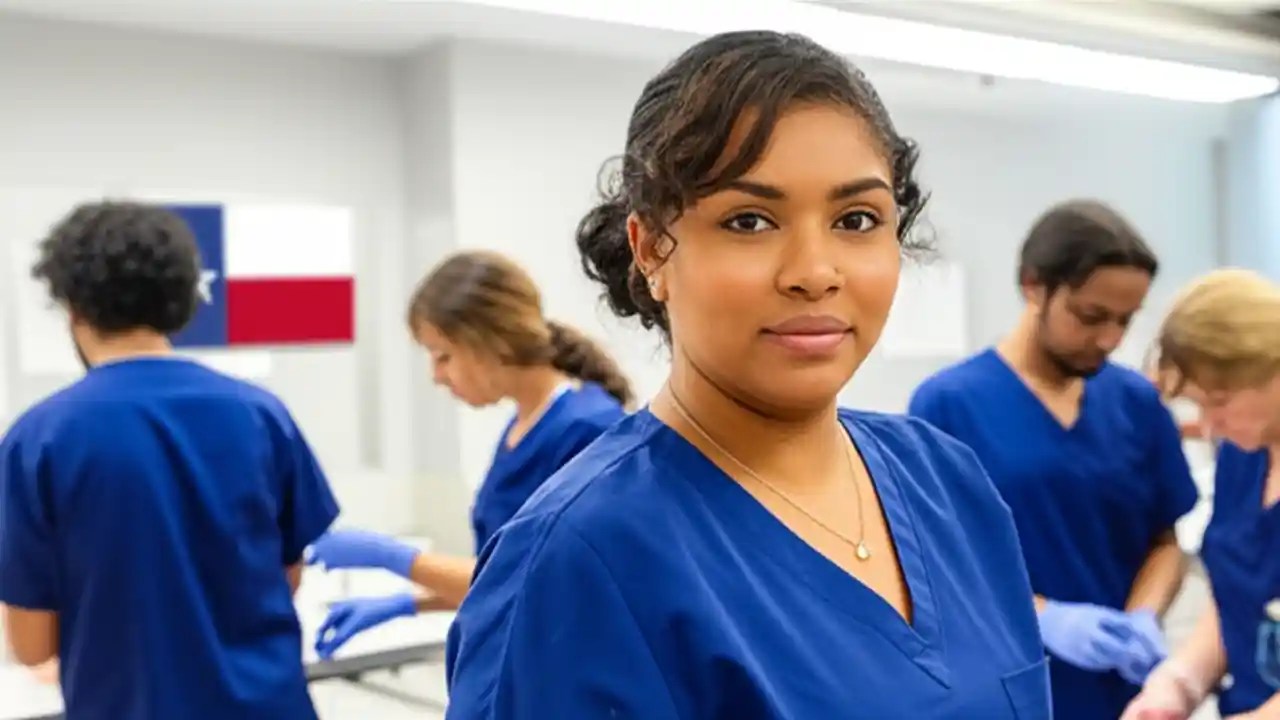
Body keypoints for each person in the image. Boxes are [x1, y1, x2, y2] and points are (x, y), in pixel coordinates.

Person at [442, 30, 1051, 719]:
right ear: (650, 250)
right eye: (750, 221)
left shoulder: (949, 485)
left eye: (856, 218)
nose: (815, 273)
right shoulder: (579, 564)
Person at [0, 201, 339, 719]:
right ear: (181, 299)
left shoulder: (39, 439)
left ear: (72, 306)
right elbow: (287, 577)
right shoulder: (261, 414)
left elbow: (32, 643)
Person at [908, 200, 1200, 719]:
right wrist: (1042, 617)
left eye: (1125, 321)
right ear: (1034, 287)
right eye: (1090, 316)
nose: (1110, 339)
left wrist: (1143, 616)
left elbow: (1165, 542)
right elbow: (933, 572)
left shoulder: (1136, 401)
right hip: (1011, 689)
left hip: (1127, 694)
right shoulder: (946, 406)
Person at [307, 250, 631, 657]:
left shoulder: (586, 430)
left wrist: (393, 557)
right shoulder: (523, 427)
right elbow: (496, 575)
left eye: (443, 355)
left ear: (492, 339)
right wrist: (407, 605)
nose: (436, 376)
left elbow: (541, 584)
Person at [1122, 268, 1280, 720]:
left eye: (1220, 400)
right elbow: (1239, 598)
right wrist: (1179, 684)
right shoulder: (1244, 456)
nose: (1209, 426)